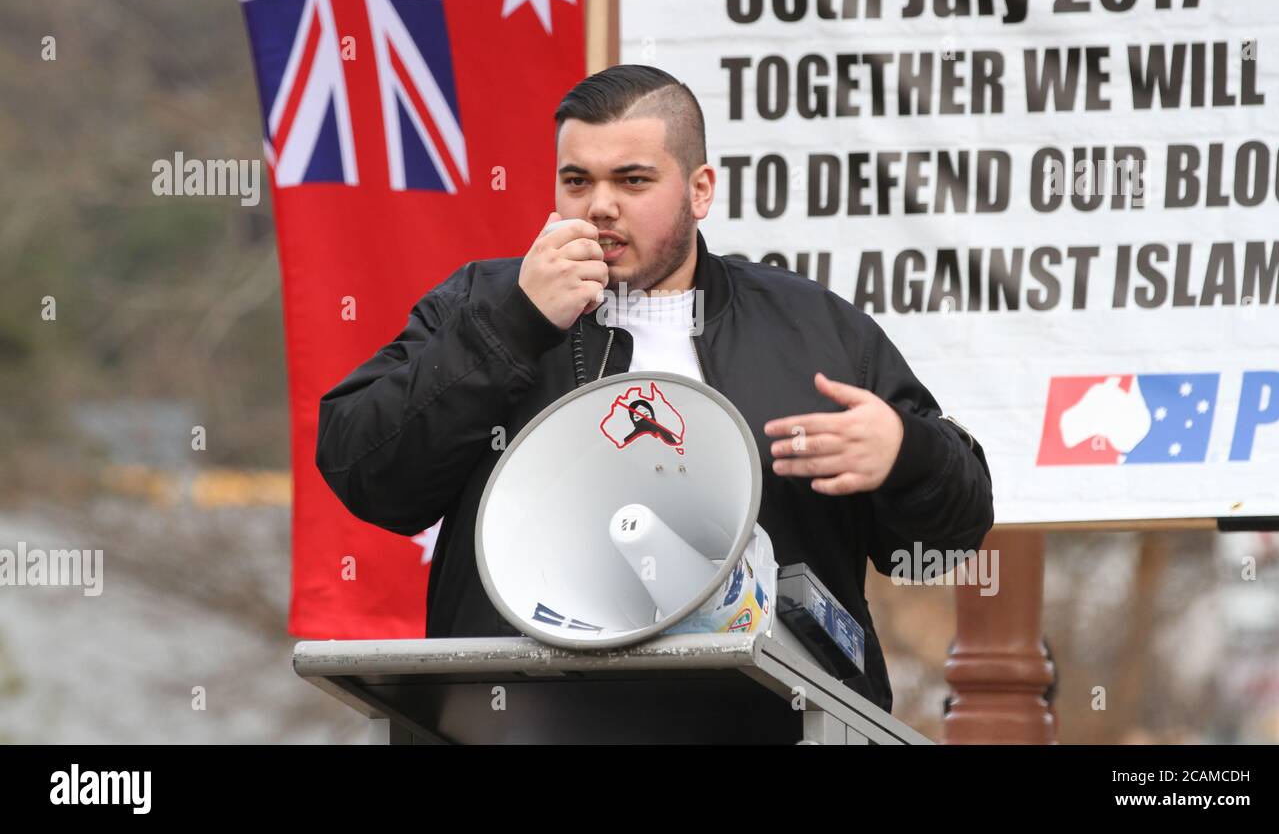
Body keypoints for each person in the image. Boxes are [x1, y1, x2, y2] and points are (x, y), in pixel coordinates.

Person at [315, 64, 995, 713]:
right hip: (531, 713)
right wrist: (514, 328)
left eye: (633, 180)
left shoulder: (812, 327)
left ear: (700, 190)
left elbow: (945, 541)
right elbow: (365, 470)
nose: (600, 206)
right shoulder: (486, 303)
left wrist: (909, 455)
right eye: (576, 181)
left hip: (765, 719)